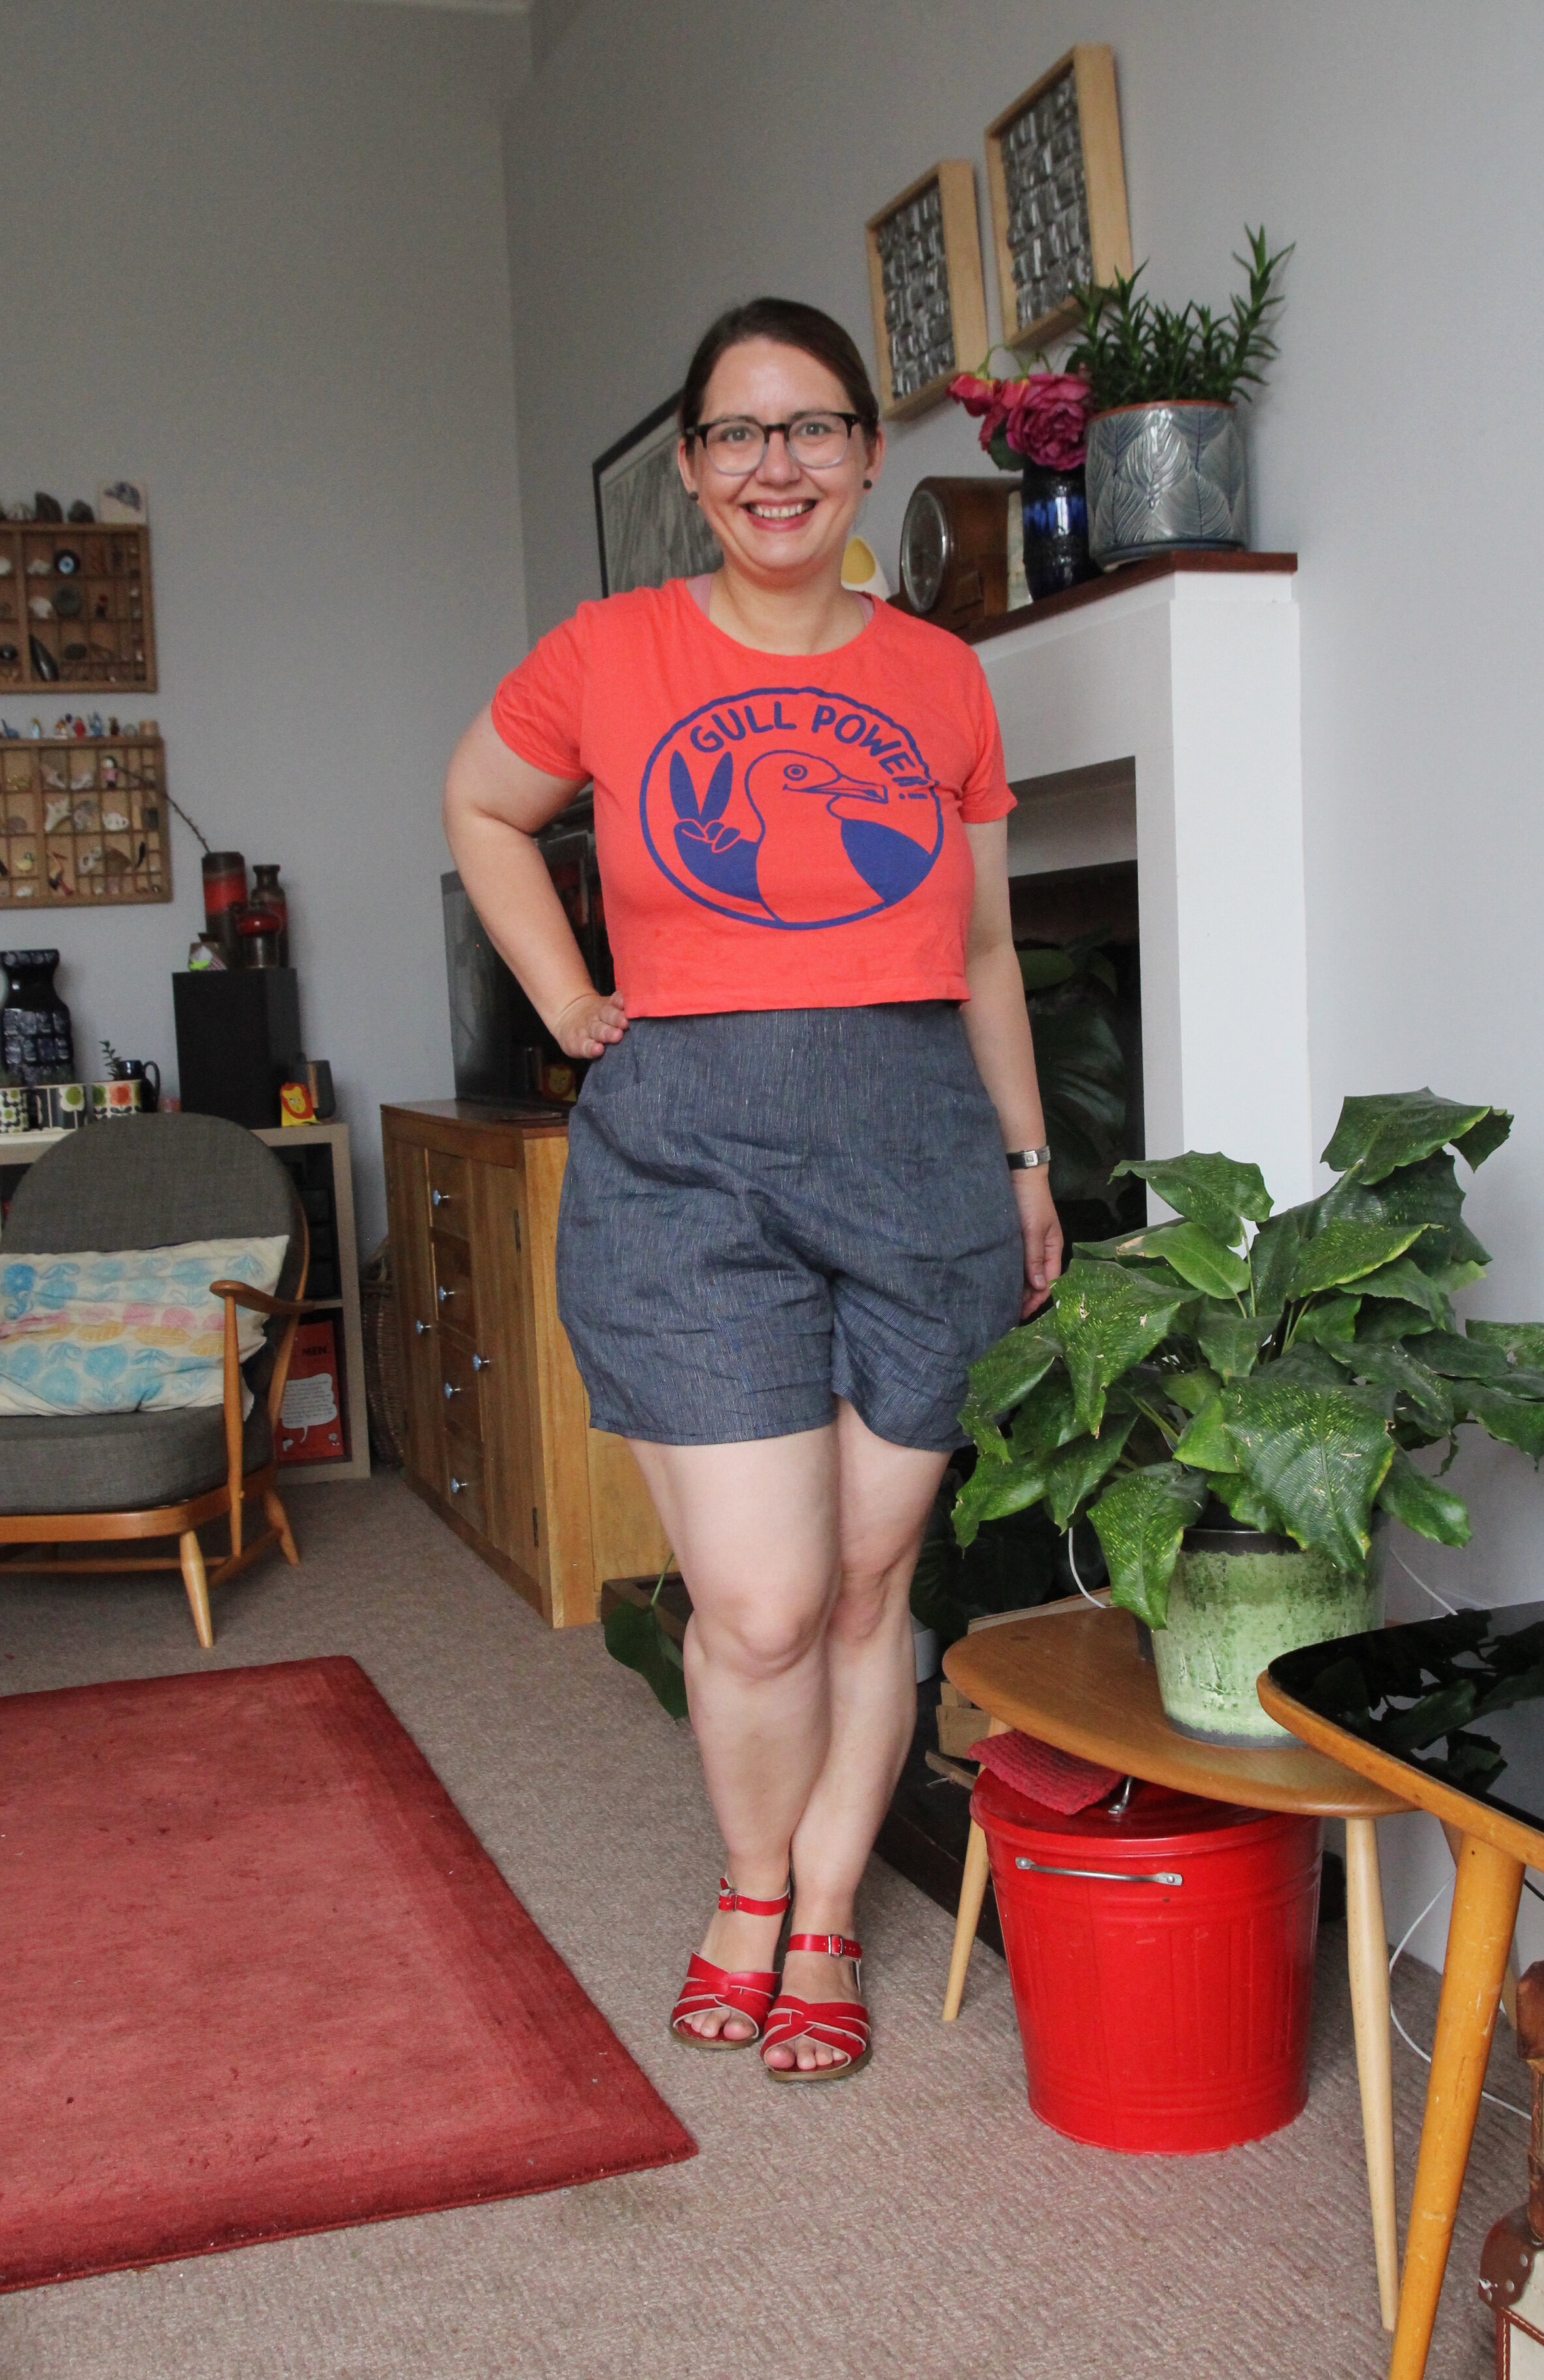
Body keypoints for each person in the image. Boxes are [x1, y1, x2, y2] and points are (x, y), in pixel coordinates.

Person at [444, 296, 1061, 2084]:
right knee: (764, 1603)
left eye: (810, 429)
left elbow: (989, 949)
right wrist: (566, 998)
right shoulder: (610, 650)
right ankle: (748, 1879)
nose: (773, 465)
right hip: (686, 1167)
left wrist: (1026, 1162)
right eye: (736, 433)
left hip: (918, 1151)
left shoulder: (940, 677)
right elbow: (481, 807)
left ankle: (822, 1912)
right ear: (696, 467)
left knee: (869, 1589)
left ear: (866, 452)